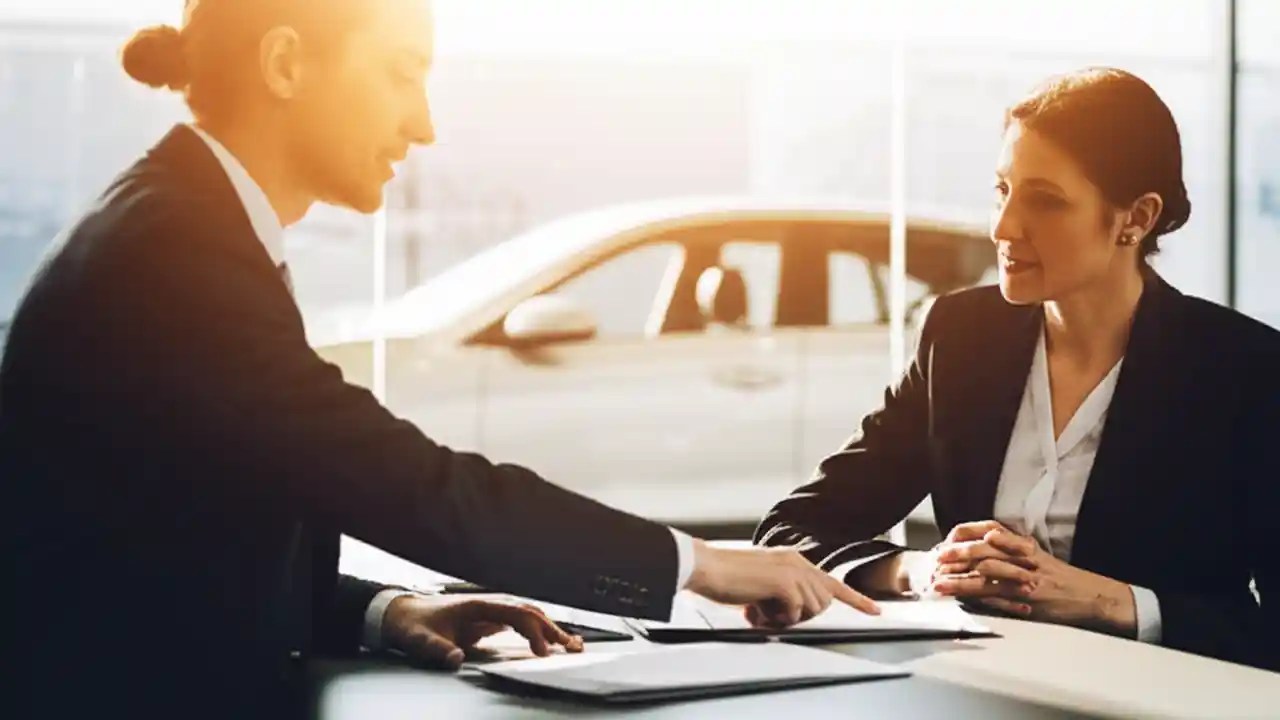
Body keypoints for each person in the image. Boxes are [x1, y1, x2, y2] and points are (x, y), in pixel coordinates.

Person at [1, 1, 876, 716]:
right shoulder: (175, 250)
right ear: (285, 64)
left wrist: (387, 610)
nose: (420, 124)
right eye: (401, 72)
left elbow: (178, 541)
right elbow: (409, 483)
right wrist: (702, 565)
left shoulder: (187, 222)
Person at [756, 67, 1279, 671]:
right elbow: (793, 527)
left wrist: (1114, 603)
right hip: (979, 687)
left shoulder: (1243, 372)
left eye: (1044, 200)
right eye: (1002, 190)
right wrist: (921, 570)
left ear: (1136, 218)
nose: (1003, 228)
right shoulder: (960, 338)